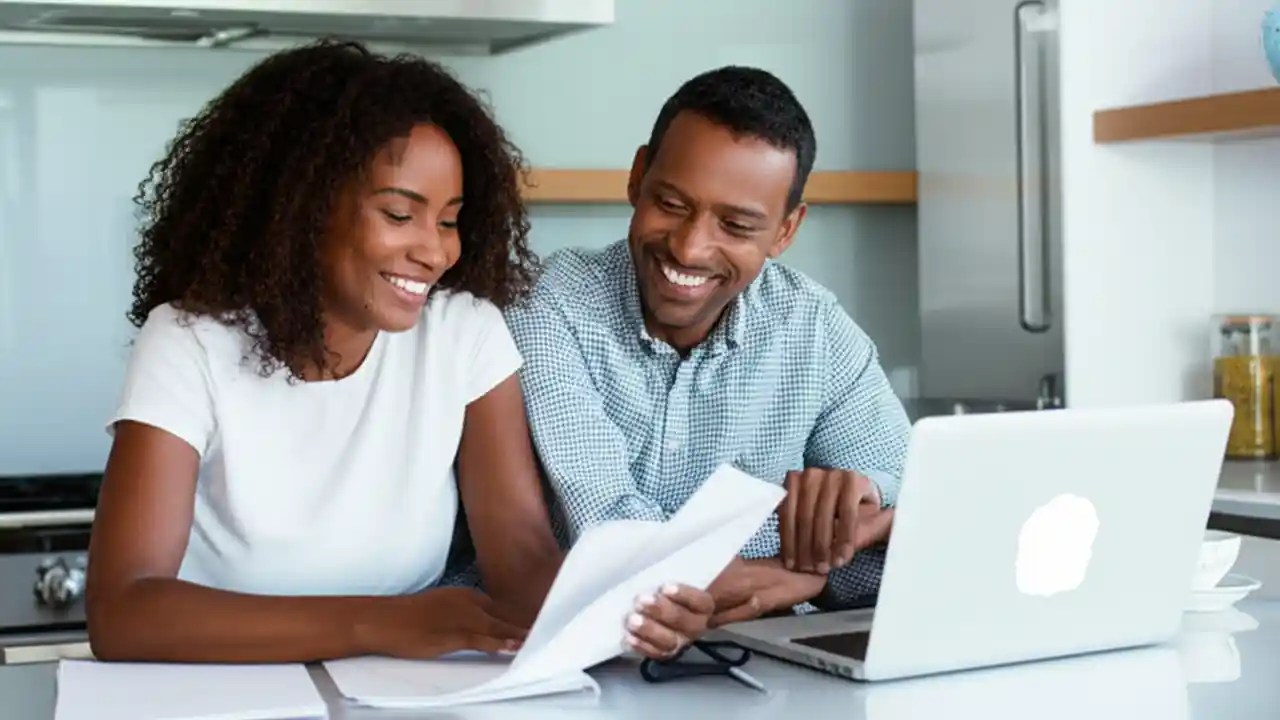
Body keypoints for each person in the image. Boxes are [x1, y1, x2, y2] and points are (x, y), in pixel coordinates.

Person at [85, 39, 711, 664]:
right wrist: (379, 625)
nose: (435, 253)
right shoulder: (189, 341)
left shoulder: (464, 333)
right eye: (398, 213)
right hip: (215, 694)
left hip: (397, 695)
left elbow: (521, 559)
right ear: (302, 207)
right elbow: (124, 613)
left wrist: (629, 609)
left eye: (447, 220)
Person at [505, 66, 911, 625]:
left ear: (786, 232)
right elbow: (617, 540)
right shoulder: (549, 307)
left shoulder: (815, 330)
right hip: (563, 662)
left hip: (751, 671)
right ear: (638, 177)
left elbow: (922, 527)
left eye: (737, 226)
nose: (691, 248)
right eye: (671, 204)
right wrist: (805, 564)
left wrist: (874, 514)